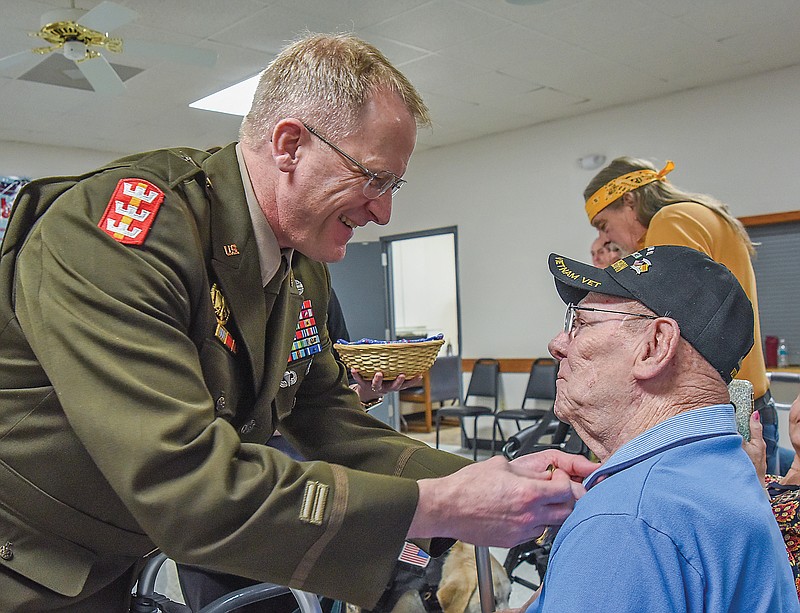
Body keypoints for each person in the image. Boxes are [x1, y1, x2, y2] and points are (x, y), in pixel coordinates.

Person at [0, 33, 596, 612]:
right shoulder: (124, 237)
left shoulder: (298, 265)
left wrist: (500, 482)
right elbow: (185, 485)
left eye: (394, 184)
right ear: (289, 146)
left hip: (106, 553)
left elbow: (332, 422)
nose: (384, 210)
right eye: (374, 178)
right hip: (23, 561)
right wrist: (436, 505)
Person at [526, 245, 798, 612]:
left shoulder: (627, 523)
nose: (558, 344)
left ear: (655, 346)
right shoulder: (726, 467)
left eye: (581, 323)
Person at [582, 156, 781, 473]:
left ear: (630, 200)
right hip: (747, 400)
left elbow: (676, 326)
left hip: (720, 413)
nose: (604, 239)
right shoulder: (699, 214)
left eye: (604, 225)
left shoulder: (671, 220)